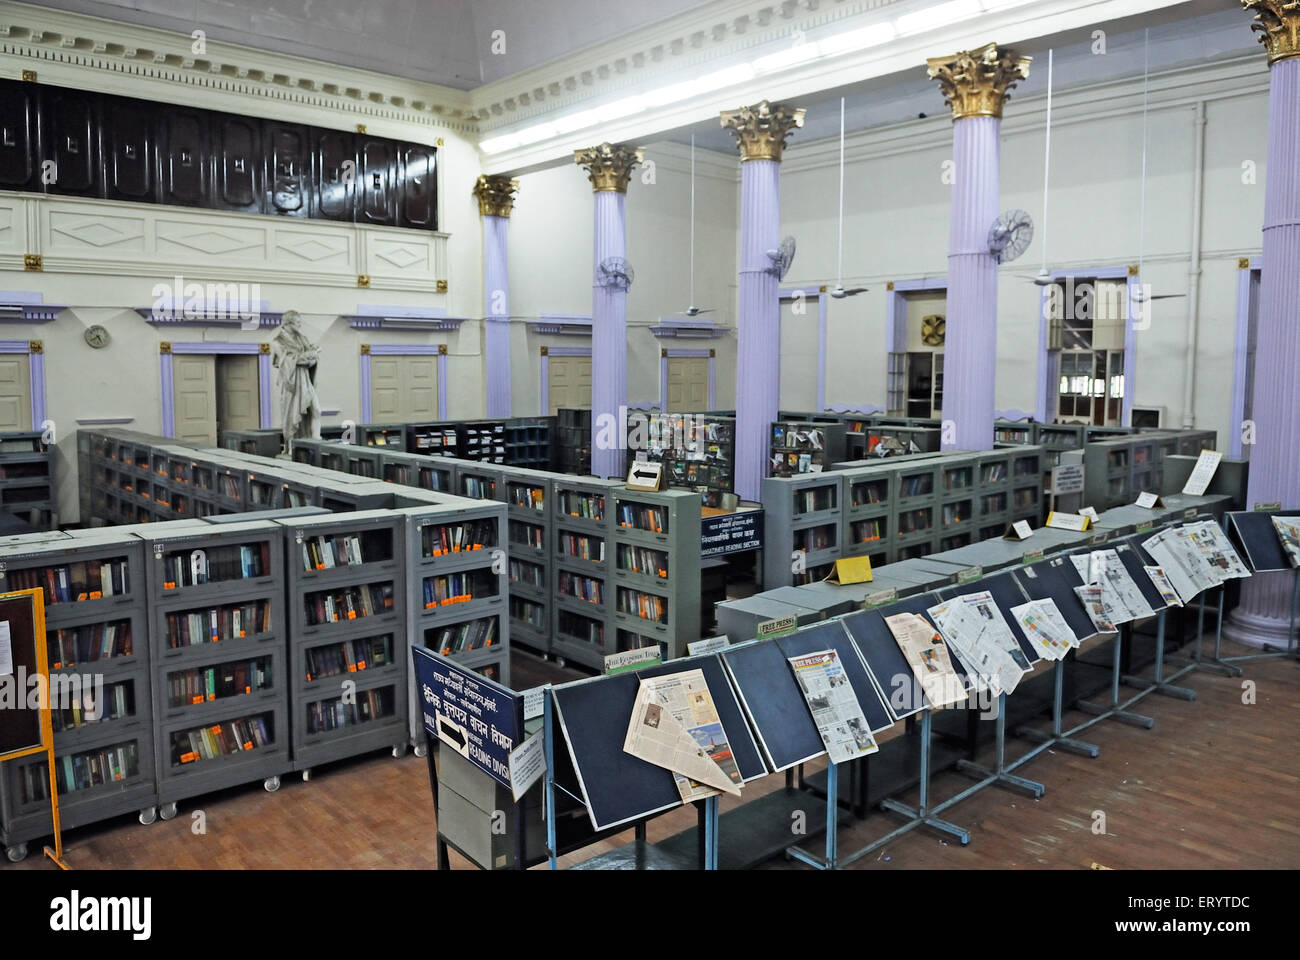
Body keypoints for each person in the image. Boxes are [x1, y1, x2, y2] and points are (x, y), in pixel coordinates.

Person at [272, 310, 322, 451]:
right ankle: (292, 449)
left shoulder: (302, 339)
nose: (300, 325)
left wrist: (312, 356)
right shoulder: (277, 342)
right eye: (297, 322)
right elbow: (289, 361)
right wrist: (312, 354)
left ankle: (316, 442)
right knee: (292, 416)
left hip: (305, 379)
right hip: (292, 383)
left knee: (317, 410)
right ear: (288, 323)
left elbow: (307, 361)